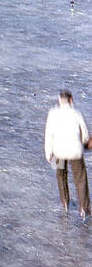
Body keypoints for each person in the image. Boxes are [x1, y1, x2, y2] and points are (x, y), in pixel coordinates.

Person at [45, 91, 90, 219]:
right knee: (80, 179)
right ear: (71, 100)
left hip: (57, 151)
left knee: (60, 175)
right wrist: (84, 143)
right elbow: (85, 135)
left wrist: (48, 153)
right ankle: (83, 208)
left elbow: (48, 135)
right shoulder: (76, 113)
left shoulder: (52, 114)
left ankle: (65, 203)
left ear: (60, 100)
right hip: (75, 151)